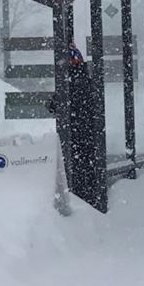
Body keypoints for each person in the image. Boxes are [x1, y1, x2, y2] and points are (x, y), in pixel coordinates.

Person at [48, 43, 102, 186]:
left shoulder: (66, 84)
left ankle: (77, 188)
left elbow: (53, 106)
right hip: (90, 133)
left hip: (72, 134)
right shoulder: (89, 81)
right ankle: (89, 188)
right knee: (88, 166)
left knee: (74, 168)